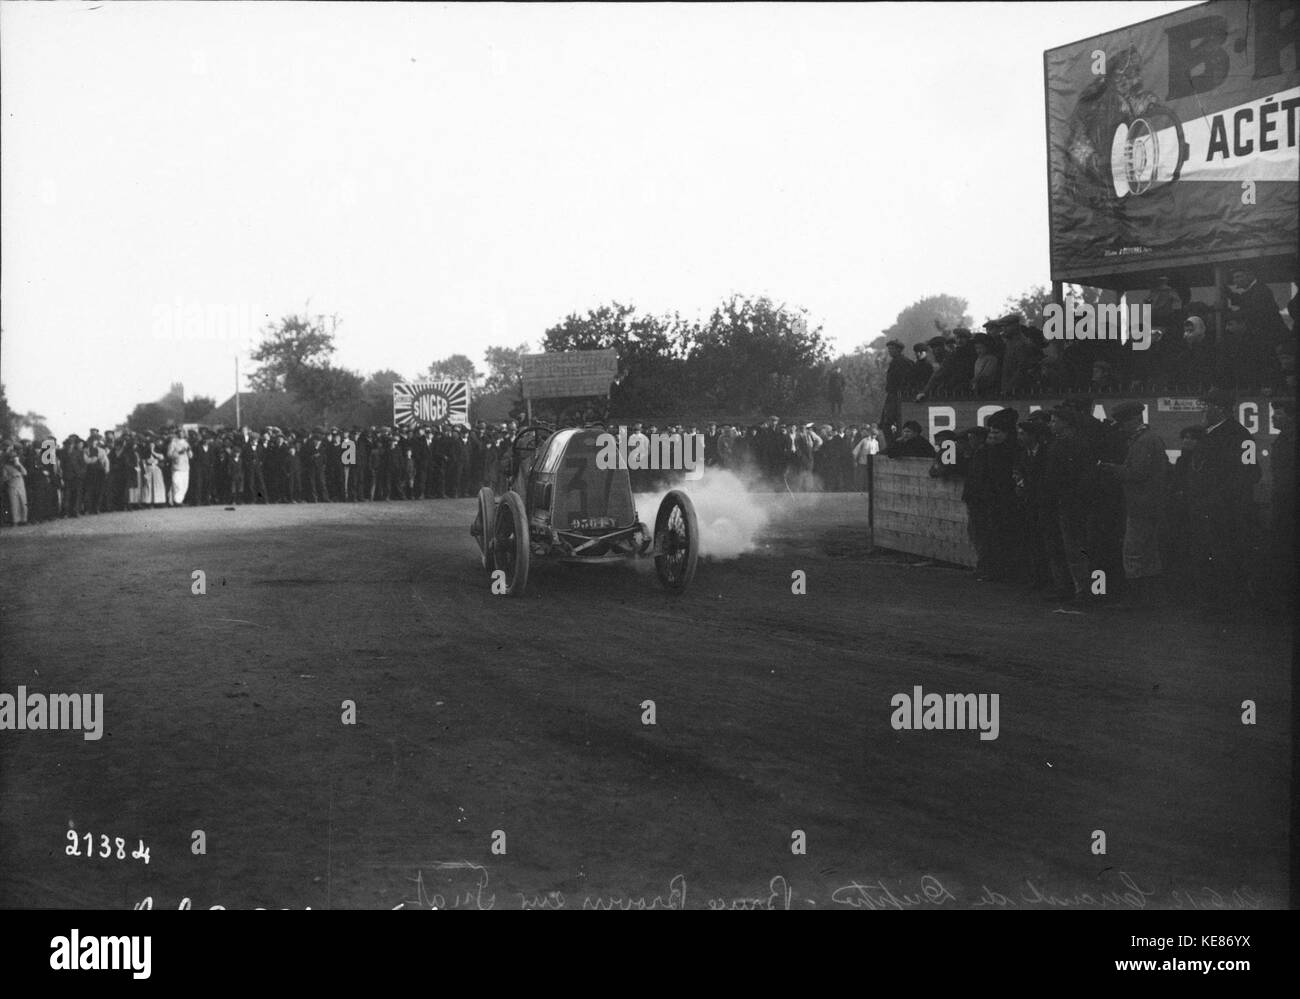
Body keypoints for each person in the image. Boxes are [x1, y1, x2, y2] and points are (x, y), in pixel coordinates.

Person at [1100, 401, 1168, 606]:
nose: (1121, 427)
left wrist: (1113, 469)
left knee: (1133, 552)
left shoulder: (1143, 441)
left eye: (1124, 422)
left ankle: (1135, 598)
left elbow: (1137, 473)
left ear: (1135, 420)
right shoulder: (1149, 439)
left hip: (1140, 504)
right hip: (1150, 503)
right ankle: (1150, 597)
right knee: (1149, 552)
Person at [2, 445, 28, 526]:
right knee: (14, 505)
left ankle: (24, 520)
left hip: (21, 486)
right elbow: (3, 479)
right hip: (12, 487)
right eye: (12, 458)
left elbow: (25, 473)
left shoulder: (18, 466)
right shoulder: (5, 467)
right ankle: (15, 521)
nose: (14, 459)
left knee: (23, 503)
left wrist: (19, 465)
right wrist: (12, 476)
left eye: (15, 458)